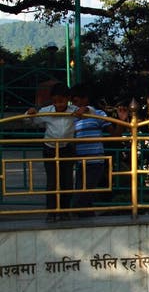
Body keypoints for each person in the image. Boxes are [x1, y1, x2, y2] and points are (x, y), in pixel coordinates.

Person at [25, 83, 77, 221]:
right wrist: (29, 114)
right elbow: (30, 121)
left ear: (68, 99)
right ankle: (52, 212)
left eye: (61, 101)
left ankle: (65, 212)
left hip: (67, 148)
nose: (58, 104)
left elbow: (90, 112)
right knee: (52, 181)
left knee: (67, 181)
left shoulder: (74, 110)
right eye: (55, 101)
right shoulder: (46, 111)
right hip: (50, 149)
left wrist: (85, 110)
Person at [70, 85, 108, 217]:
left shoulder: (98, 114)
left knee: (84, 192)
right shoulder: (74, 117)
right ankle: (87, 217)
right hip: (81, 161)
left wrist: (121, 120)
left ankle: (80, 215)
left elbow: (115, 134)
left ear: (85, 99)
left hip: (95, 160)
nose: (74, 105)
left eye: (76, 101)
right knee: (83, 191)